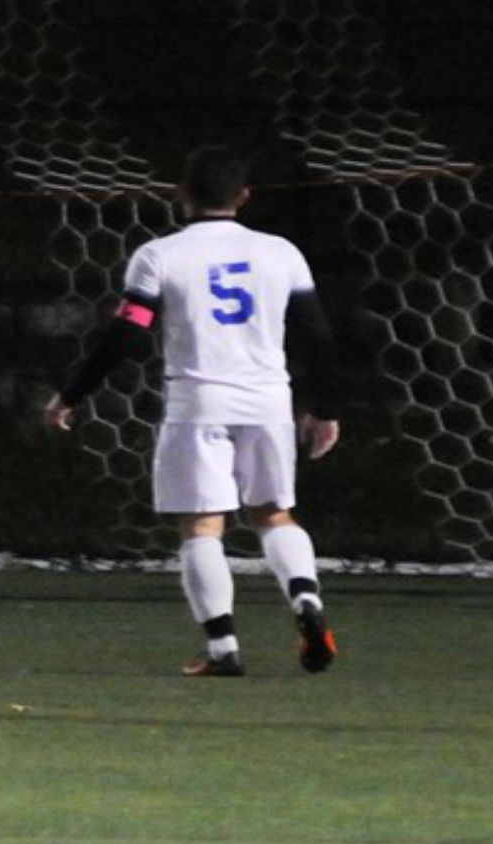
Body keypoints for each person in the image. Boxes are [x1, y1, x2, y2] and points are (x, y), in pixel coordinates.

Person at [44, 144, 342, 677]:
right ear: (244, 197)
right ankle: (304, 599)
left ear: (181, 194)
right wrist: (325, 407)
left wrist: (73, 393)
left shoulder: (159, 255)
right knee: (274, 514)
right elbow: (317, 335)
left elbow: (127, 334)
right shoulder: (281, 252)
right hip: (268, 401)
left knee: (202, 527)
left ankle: (223, 650)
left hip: (197, 404)